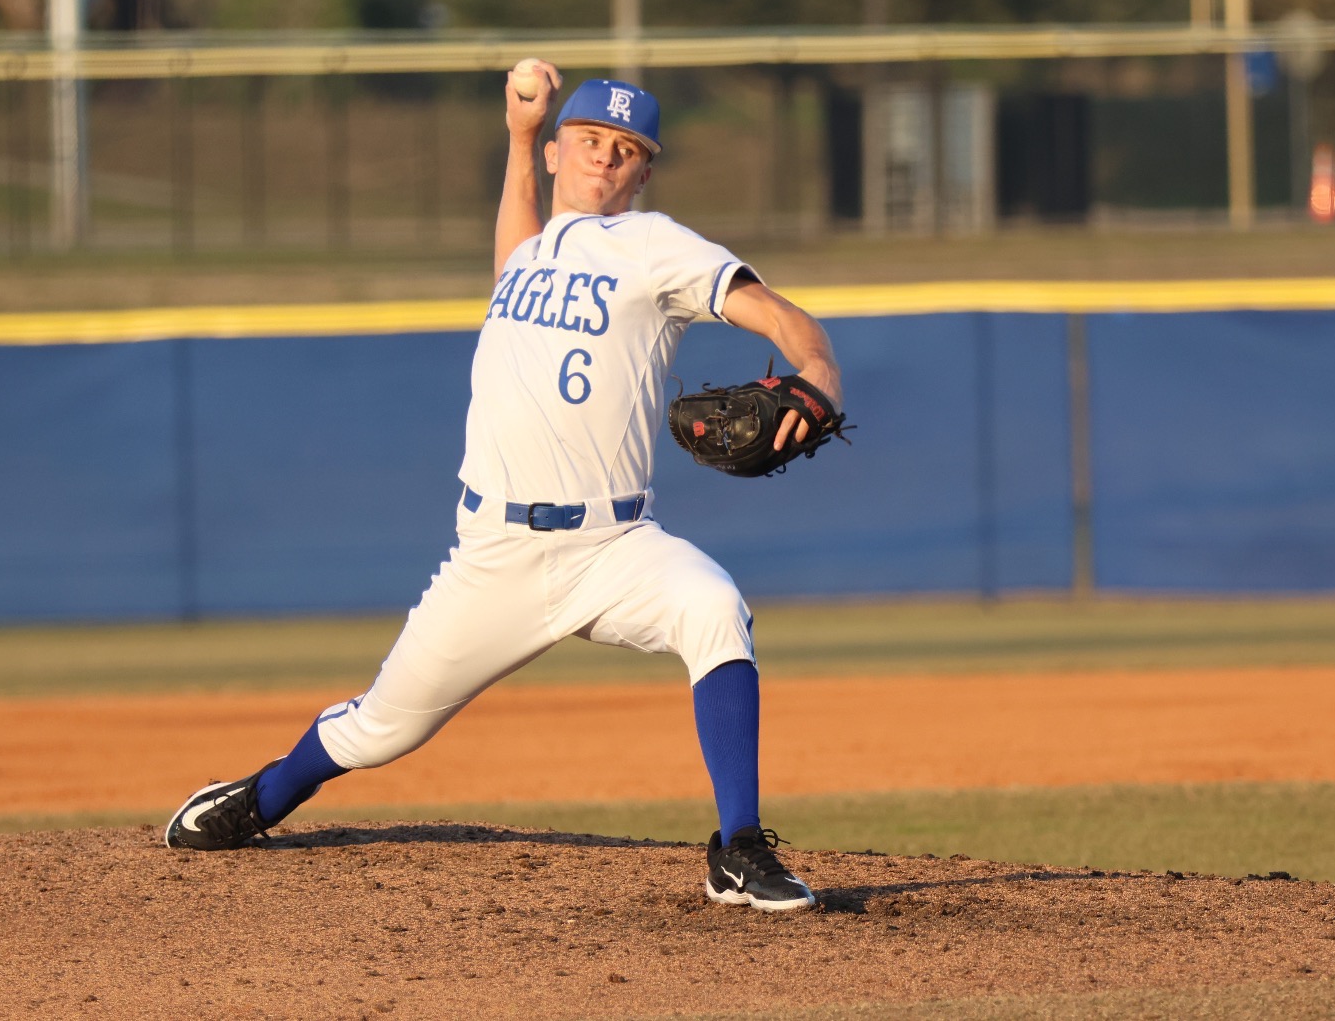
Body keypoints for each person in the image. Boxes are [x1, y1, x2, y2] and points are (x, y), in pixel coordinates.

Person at [163, 61, 846, 912]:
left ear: (643, 174)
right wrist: (520, 136)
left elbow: (777, 314)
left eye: (626, 148)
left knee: (713, 605)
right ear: (559, 153)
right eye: (589, 138)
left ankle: (739, 847)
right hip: (494, 555)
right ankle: (264, 795)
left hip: (613, 545)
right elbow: (513, 254)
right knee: (380, 728)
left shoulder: (657, 245)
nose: (605, 156)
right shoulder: (531, 252)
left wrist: (818, 366)